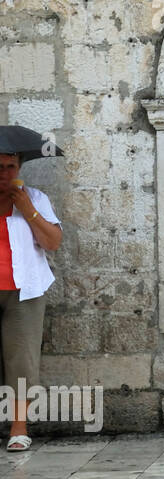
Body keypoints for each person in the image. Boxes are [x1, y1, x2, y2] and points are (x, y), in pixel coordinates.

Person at [0, 152, 63, 452]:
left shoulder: (35, 198)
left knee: (22, 358)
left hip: (24, 290)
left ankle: (19, 429)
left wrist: (27, 209)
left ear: (19, 168)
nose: (4, 172)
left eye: (10, 166)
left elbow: (52, 242)